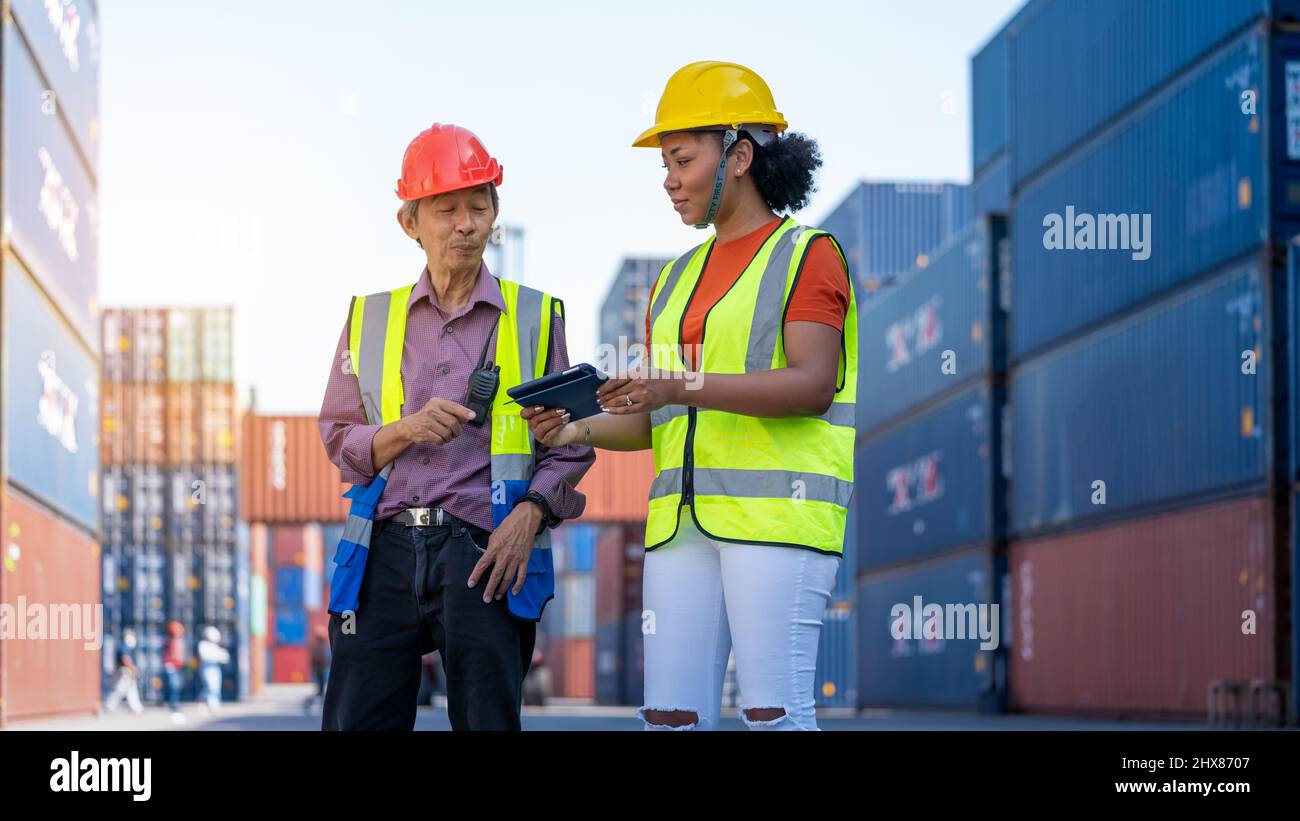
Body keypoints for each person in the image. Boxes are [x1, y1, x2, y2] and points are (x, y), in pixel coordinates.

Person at [524, 61, 857, 731]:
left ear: (738, 156)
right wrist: (573, 428)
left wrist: (678, 383)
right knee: (671, 720)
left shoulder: (807, 254)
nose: (669, 180)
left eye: (681, 159)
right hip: (680, 527)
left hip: (777, 525)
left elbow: (814, 384)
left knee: (774, 717)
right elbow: (657, 420)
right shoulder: (673, 280)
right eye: (664, 165)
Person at [318, 123, 594, 731]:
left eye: (480, 205)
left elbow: (571, 442)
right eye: (447, 210)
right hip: (383, 550)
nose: (467, 223)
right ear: (410, 222)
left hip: (488, 551)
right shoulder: (368, 319)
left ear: (497, 212)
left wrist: (531, 514)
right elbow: (341, 439)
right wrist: (405, 430)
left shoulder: (536, 316)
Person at [103, 630, 144, 716]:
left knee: (131, 690)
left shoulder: (125, 646)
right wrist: (133, 669)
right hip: (124, 672)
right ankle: (109, 706)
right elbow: (126, 659)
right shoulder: (124, 646)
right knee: (120, 690)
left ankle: (137, 709)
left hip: (125, 672)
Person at [196, 626, 230, 713]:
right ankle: (208, 703)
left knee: (216, 687)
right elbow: (206, 656)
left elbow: (224, 657)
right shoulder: (203, 645)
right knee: (210, 687)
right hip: (207, 668)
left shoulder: (215, 646)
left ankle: (213, 703)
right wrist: (217, 657)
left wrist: (219, 656)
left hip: (215, 668)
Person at [162, 620, 187, 723]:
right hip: (171, 666)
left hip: (178, 666)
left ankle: (174, 703)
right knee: (173, 685)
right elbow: (167, 655)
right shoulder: (168, 640)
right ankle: (173, 703)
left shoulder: (179, 640)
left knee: (177, 685)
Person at [308, 626, 331, 707]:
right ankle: (321, 701)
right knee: (320, 687)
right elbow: (315, 658)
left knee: (321, 687)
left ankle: (321, 701)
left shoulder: (322, 646)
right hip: (319, 669)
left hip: (321, 669)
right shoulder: (318, 646)